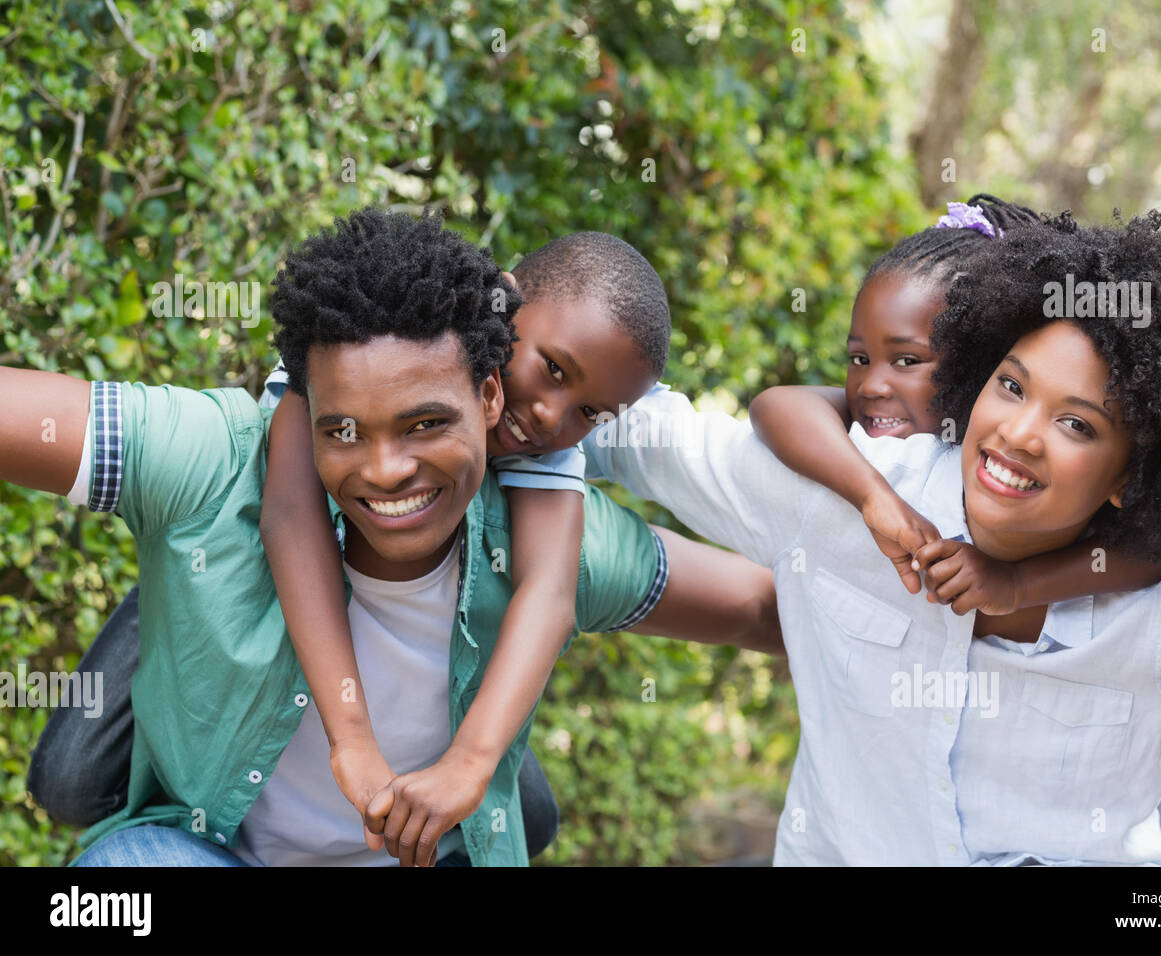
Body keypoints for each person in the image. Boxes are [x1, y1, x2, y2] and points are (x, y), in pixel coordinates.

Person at [2, 208, 774, 867]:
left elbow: (730, 604)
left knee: (513, 779)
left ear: (488, 388)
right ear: (504, 308)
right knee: (86, 802)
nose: (549, 419)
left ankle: (490, 759)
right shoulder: (254, 433)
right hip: (215, 833)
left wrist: (475, 761)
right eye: (345, 428)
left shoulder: (549, 487)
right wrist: (352, 738)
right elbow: (288, 515)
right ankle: (182, 595)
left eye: (429, 425)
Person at [584, 207, 1161, 865]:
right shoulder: (845, 491)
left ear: (1130, 476)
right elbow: (630, 428)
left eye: (1077, 425)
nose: (1018, 435)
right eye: (1012, 387)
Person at [746, 195, 1161, 859]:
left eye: (909, 360)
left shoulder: (1030, 448)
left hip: (1136, 725)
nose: (874, 387)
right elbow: (781, 405)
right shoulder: (891, 450)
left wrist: (1019, 582)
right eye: (859, 358)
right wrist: (873, 496)